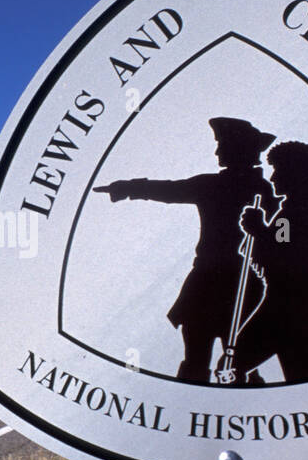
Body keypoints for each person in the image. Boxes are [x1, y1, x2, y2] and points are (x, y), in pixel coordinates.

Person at [94, 116, 276, 383]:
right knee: (198, 355)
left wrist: (263, 229)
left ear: (238, 149)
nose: (217, 152)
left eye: (222, 146)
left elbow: (284, 233)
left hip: (240, 281)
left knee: (237, 359)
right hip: (206, 281)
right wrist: (126, 187)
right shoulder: (212, 185)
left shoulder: (265, 191)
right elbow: (167, 191)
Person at [231, 140, 308, 384]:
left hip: (292, 314)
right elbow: (281, 252)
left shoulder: (294, 218)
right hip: (295, 312)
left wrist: (258, 231)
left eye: (278, 170)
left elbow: (292, 262)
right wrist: (260, 232)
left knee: (233, 369)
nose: (273, 178)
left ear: (295, 173)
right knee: (234, 369)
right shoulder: (295, 216)